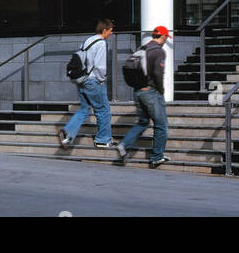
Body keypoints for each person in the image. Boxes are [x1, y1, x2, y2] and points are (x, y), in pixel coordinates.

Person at [116, 26, 170, 169]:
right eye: (166, 37)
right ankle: (157, 157)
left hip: (138, 91)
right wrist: (161, 90)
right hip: (151, 92)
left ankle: (124, 145)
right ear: (163, 36)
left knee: (143, 122)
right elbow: (158, 73)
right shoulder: (158, 51)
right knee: (161, 125)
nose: (166, 40)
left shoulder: (142, 48)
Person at [58, 19, 114, 149]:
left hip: (81, 80)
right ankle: (102, 140)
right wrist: (101, 80)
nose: (111, 33)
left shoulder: (88, 40)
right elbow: (100, 66)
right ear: (104, 30)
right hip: (93, 80)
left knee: (84, 109)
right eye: (110, 31)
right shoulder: (101, 43)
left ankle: (67, 133)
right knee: (103, 110)